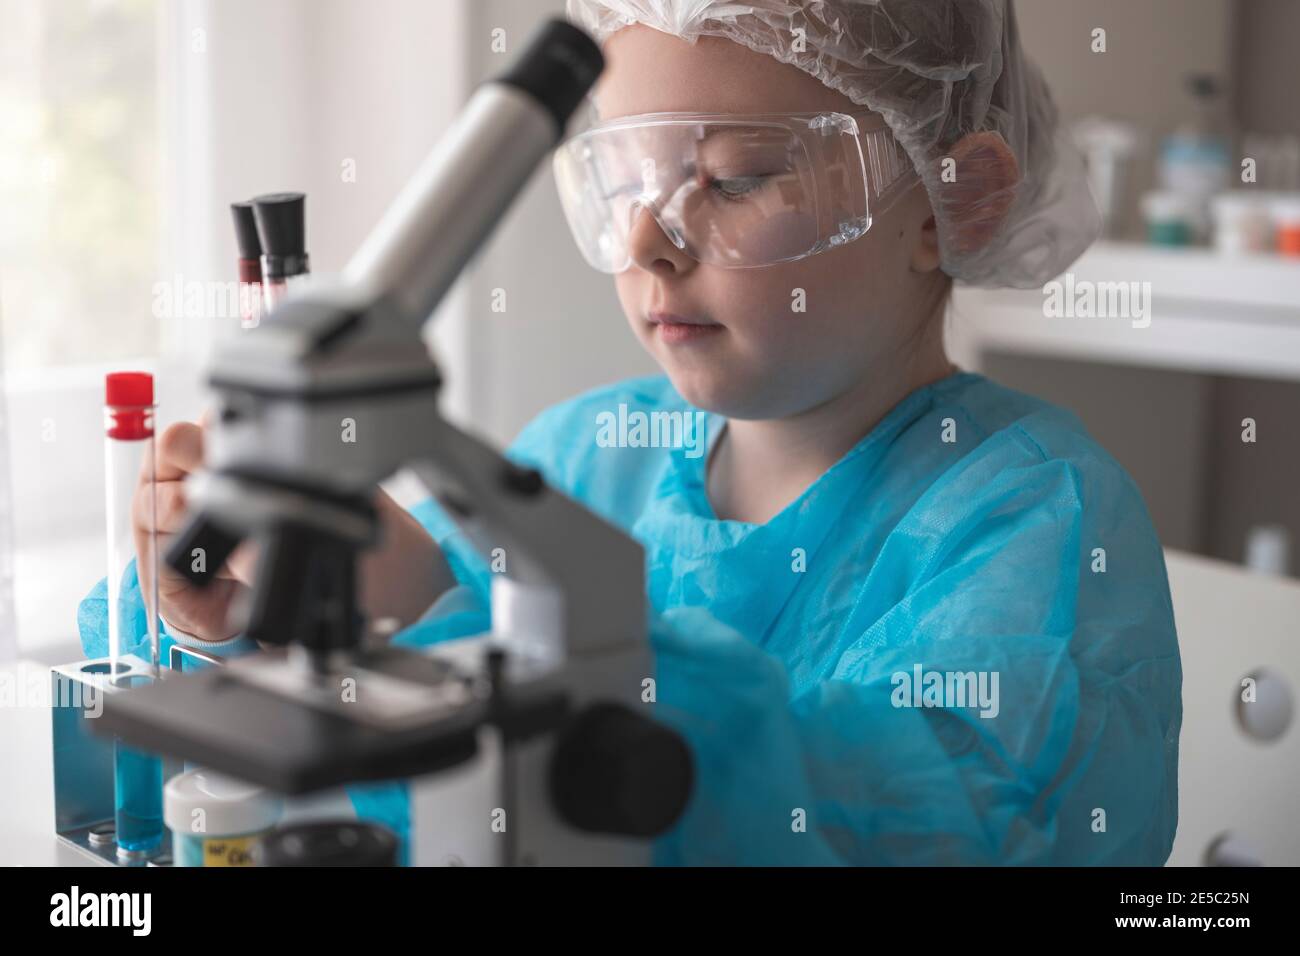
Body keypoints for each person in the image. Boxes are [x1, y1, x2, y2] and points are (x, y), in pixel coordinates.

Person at [81, 0, 1181, 865]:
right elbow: (411, 660)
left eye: (736, 177)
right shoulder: (590, 451)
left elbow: (903, 823)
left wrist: (472, 637)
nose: (648, 238)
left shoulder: (1029, 520)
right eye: (626, 177)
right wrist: (246, 601)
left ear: (959, 200)